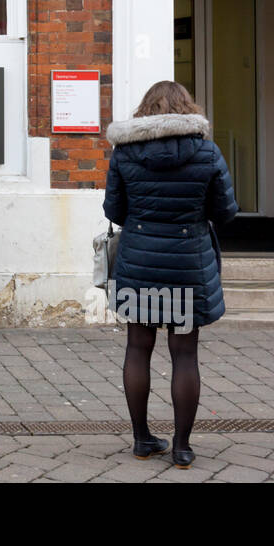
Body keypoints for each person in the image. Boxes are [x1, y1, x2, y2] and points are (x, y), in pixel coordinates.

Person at [102, 80, 237, 469]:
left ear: (146, 111)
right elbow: (225, 211)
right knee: (184, 354)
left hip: (140, 263)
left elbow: (114, 211)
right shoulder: (206, 151)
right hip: (186, 266)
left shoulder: (125, 153)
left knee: (138, 348)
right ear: (187, 108)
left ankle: (142, 439)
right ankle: (181, 447)